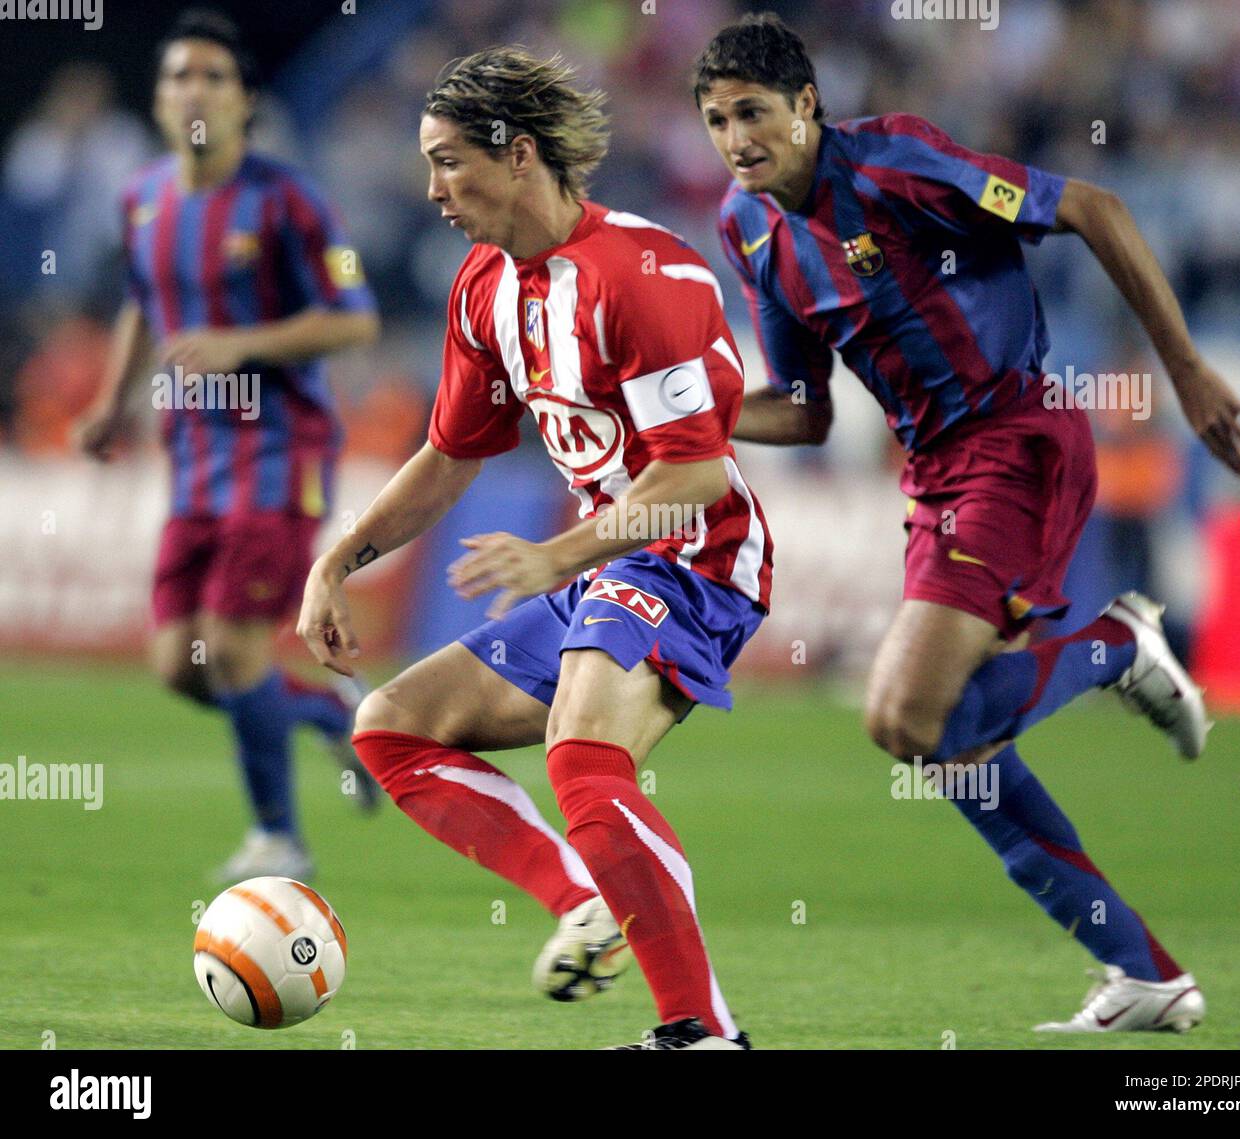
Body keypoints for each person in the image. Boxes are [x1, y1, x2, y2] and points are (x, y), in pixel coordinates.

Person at [693, 12, 1240, 1033]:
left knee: (901, 715)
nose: (736, 137)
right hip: (935, 475)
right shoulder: (748, 230)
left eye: (754, 112)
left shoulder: (892, 162)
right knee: (948, 738)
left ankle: (1112, 645)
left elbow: (1088, 203)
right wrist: (677, 408)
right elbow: (806, 405)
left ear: (806, 107)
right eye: (715, 119)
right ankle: (1140, 969)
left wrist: (1183, 369)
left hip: (1016, 439)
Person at [297, 47, 773, 1050]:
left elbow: (694, 476)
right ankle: (583, 900)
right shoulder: (484, 287)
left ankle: (702, 1033)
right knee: (391, 727)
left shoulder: (642, 273)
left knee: (584, 757)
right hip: (606, 561)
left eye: (448, 162)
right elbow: (449, 454)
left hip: (692, 558)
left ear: (518, 157)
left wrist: (557, 559)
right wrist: (337, 561)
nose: (431, 190)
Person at [75, 10, 381, 882]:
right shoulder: (141, 200)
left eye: (213, 76)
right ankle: (328, 714)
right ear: (160, 98)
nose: (194, 91)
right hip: (193, 461)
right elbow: (144, 300)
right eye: (179, 76)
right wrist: (109, 401)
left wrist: (244, 346)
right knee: (181, 664)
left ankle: (279, 837)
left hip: (280, 451)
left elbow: (354, 318)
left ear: (246, 100)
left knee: (236, 646)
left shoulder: (293, 200)